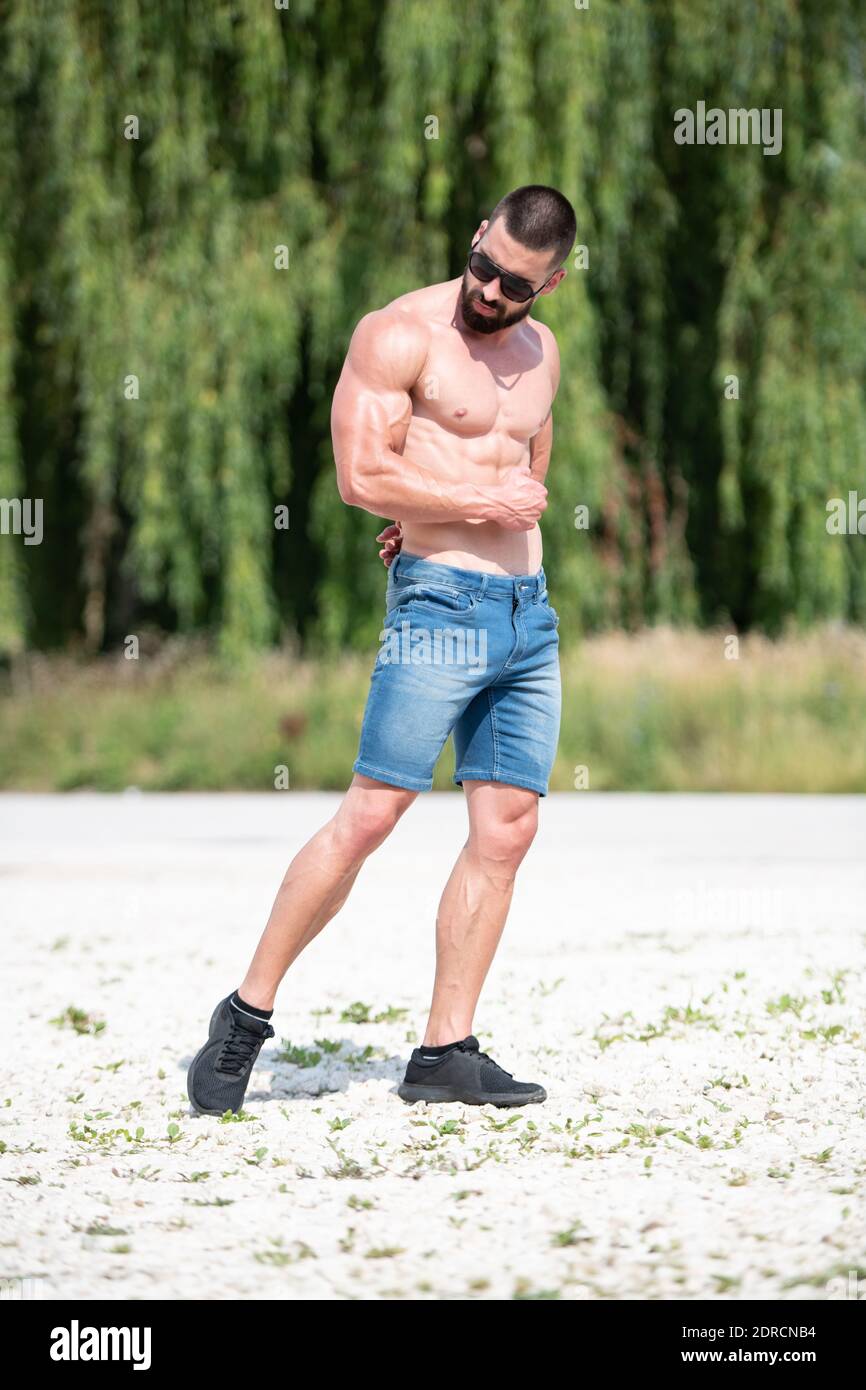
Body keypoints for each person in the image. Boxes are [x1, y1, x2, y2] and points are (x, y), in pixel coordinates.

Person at [187, 185, 575, 1115]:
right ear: (476, 233)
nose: (489, 290)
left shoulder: (542, 352)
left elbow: (527, 463)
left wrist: (474, 506)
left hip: (528, 614)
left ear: (551, 282)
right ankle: (245, 1016)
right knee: (373, 812)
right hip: (439, 606)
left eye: (515, 284)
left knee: (508, 827)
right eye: (484, 265)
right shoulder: (398, 334)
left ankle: (446, 1052)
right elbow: (362, 475)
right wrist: (465, 512)